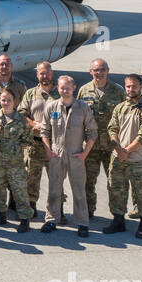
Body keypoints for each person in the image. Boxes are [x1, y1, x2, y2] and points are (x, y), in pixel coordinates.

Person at [39, 75, 97, 236]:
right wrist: (49, 151)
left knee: (79, 190)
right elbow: (44, 131)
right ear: (57, 88)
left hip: (76, 154)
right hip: (57, 154)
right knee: (54, 190)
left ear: (74, 88)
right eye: (62, 88)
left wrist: (85, 153)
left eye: (67, 88)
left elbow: (92, 132)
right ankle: (51, 220)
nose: (64, 91)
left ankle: (82, 223)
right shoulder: (51, 107)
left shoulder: (83, 108)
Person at [104, 75, 142, 239]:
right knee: (116, 191)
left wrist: (125, 151)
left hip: (138, 160)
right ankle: (118, 221)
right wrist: (117, 146)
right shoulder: (120, 107)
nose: (130, 89)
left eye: (134, 86)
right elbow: (112, 128)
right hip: (118, 158)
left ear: (140, 87)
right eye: (128, 86)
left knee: (141, 193)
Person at [76, 59, 125, 220]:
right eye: (96, 70)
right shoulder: (84, 91)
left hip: (112, 146)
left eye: (102, 69)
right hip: (91, 146)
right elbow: (77, 116)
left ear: (108, 70)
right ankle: (88, 211)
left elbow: (124, 117)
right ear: (91, 72)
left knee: (115, 182)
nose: (99, 73)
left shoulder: (118, 91)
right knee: (88, 181)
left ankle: (118, 215)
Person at [0, 90, 34, 231]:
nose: (5, 103)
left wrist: (15, 148)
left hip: (15, 164)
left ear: (15, 102)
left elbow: (28, 140)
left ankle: (24, 219)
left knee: (20, 191)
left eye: (9, 100)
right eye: (3, 100)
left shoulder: (21, 120)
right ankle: (0, 215)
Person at [21, 62, 60, 217]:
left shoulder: (61, 92)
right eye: (42, 73)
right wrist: (33, 124)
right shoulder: (31, 93)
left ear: (52, 73)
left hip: (55, 144)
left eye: (47, 73)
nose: (45, 76)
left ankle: (57, 210)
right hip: (35, 143)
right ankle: (31, 206)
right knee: (31, 177)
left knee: (56, 179)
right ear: (37, 75)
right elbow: (22, 113)